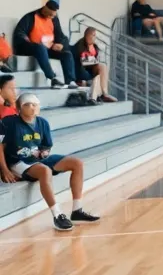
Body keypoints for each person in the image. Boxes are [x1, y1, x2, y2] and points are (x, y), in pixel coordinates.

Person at [0, 93, 98, 231]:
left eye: (35, 104)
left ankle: (77, 210)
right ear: (19, 108)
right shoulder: (8, 123)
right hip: (18, 162)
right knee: (45, 171)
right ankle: (57, 215)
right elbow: (0, 147)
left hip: (38, 160)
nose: (32, 107)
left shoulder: (42, 123)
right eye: (27, 104)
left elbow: (46, 145)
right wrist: (4, 170)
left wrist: (45, 152)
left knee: (77, 163)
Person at [13, 1, 77, 89]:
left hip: (48, 48)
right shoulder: (30, 17)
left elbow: (61, 36)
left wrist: (61, 44)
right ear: (45, 9)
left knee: (67, 54)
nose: (52, 17)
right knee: (40, 48)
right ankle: (52, 78)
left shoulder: (54, 19)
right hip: (31, 47)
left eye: (54, 15)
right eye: (50, 14)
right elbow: (20, 33)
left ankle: (70, 81)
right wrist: (27, 40)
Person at [72, 28, 118, 103]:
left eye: (94, 35)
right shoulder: (80, 45)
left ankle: (104, 94)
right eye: (92, 35)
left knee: (103, 67)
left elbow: (95, 62)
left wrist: (95, 61)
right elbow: (82, 61)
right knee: (98, 75)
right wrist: (95, 61)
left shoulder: (95, 47)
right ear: (86, 35)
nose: (93, 37)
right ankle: (101, 96)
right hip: (81, 70)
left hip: (91, 69)